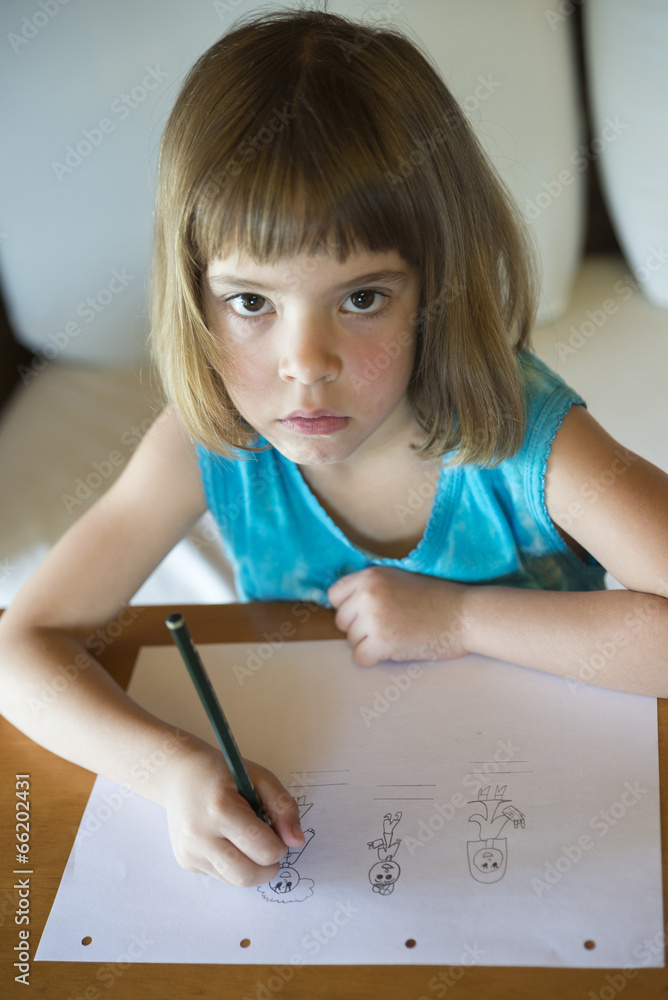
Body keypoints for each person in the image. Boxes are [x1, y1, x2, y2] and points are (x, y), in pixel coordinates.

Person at [1, 8, 667, 891]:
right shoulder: (212, 444)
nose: (304, 366)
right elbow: (25, 644)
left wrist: (458, 619)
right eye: (251, 303)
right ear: (194, 296)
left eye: (361, 298)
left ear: (439, 281)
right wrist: (172, 775)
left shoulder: (525, 437)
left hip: (542, 829)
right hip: (345, 836)